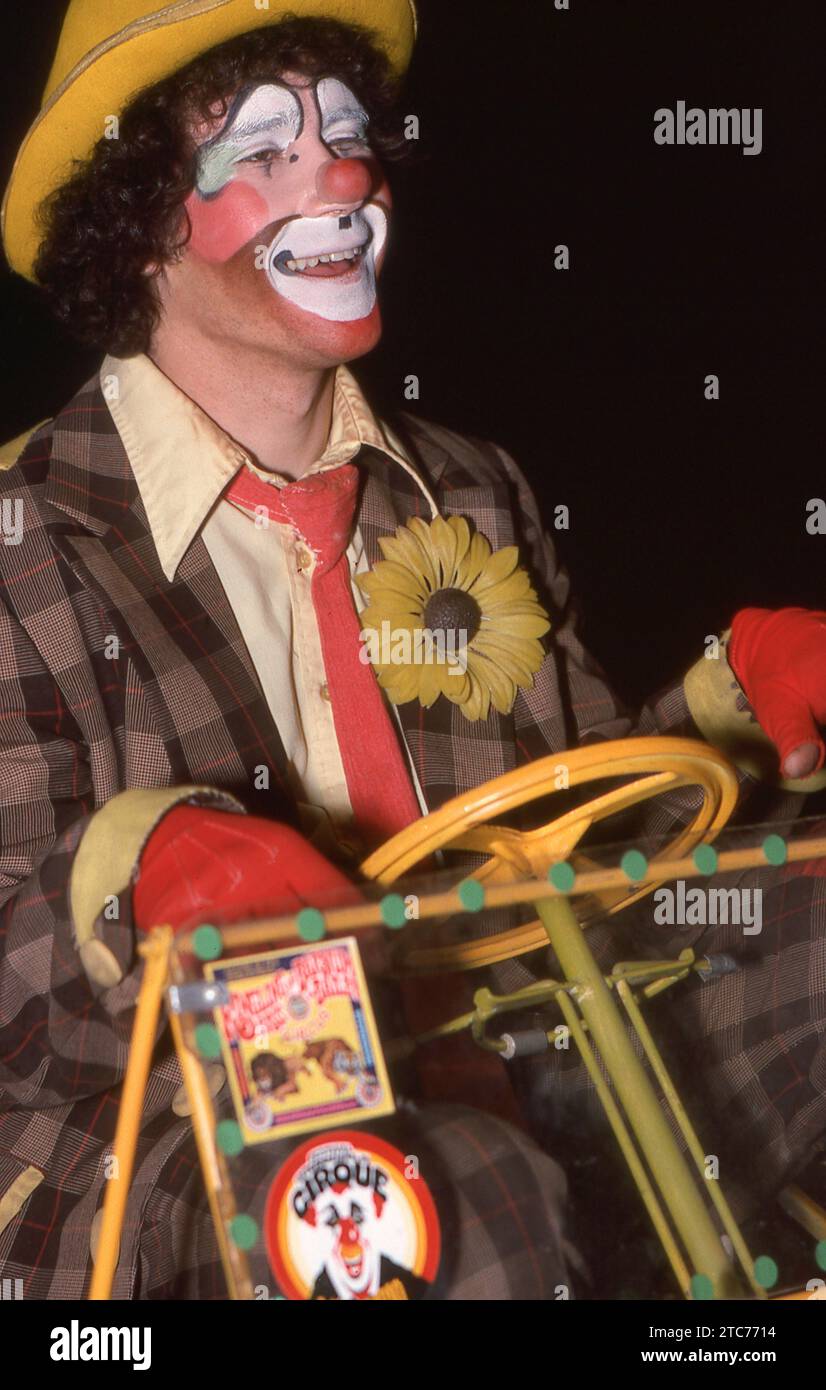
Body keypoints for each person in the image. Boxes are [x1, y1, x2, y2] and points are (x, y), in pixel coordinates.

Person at [0, 0, 824, 1299]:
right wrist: (135, 865)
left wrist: (732, 708)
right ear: (140, 216)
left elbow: (579, 836)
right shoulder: (23, 544)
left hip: (541, 1060)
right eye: (264, 149)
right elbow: (22, 982)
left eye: (343, 134)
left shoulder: (471, 490)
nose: (339, 176)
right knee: (453, 1192)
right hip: (181, 1135)